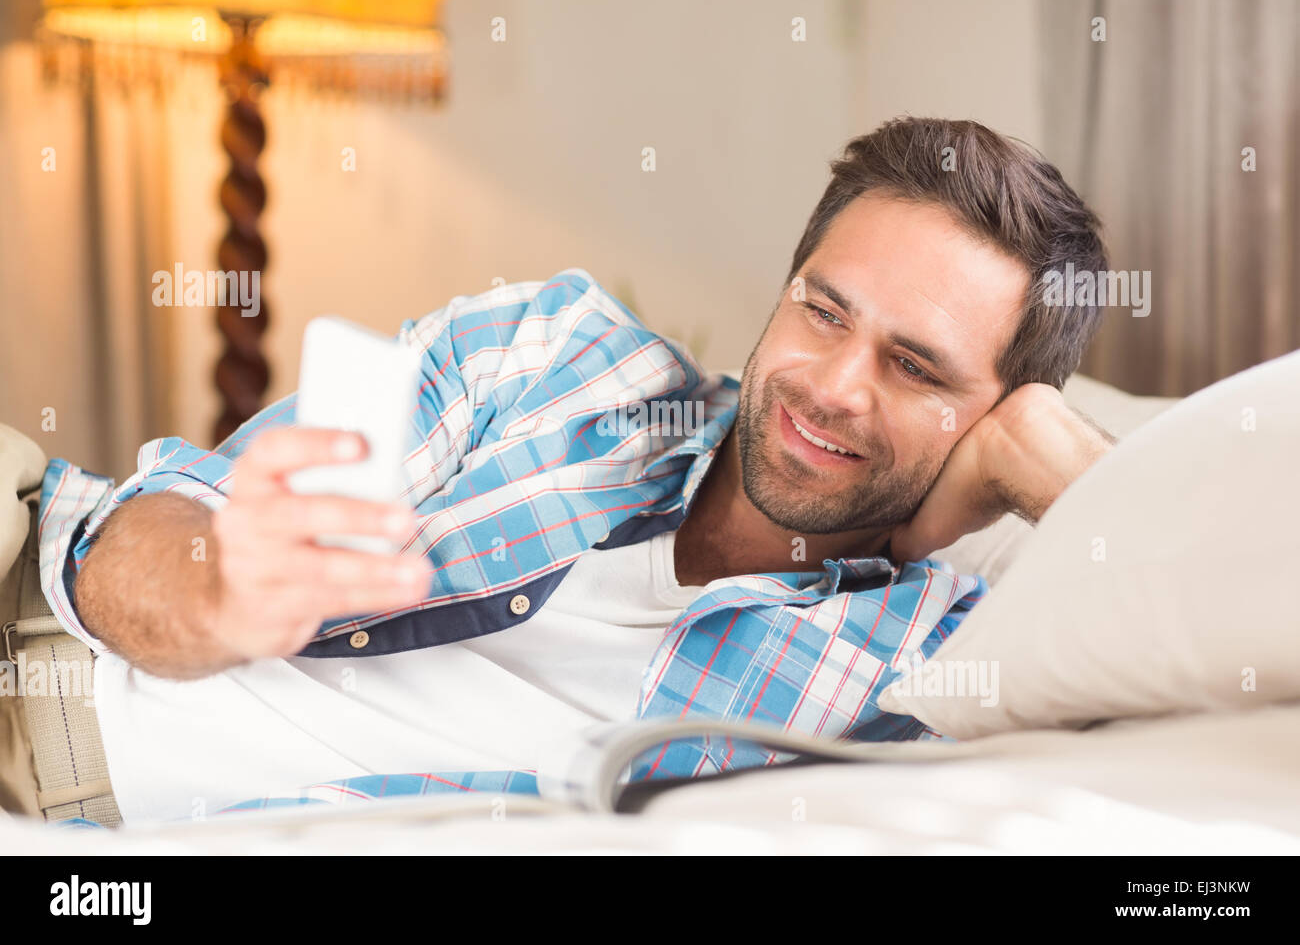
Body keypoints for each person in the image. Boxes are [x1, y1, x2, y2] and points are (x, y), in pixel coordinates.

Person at [38, 117, 1115, 822]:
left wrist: (1045, 457)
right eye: (821, 309)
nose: (831, 383)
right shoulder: (557, 356)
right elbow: (140, 530)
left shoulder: (930, 660)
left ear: (998, 411)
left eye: (912, 364)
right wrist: (215, 582)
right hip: (36, 646)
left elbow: (1227, 622)